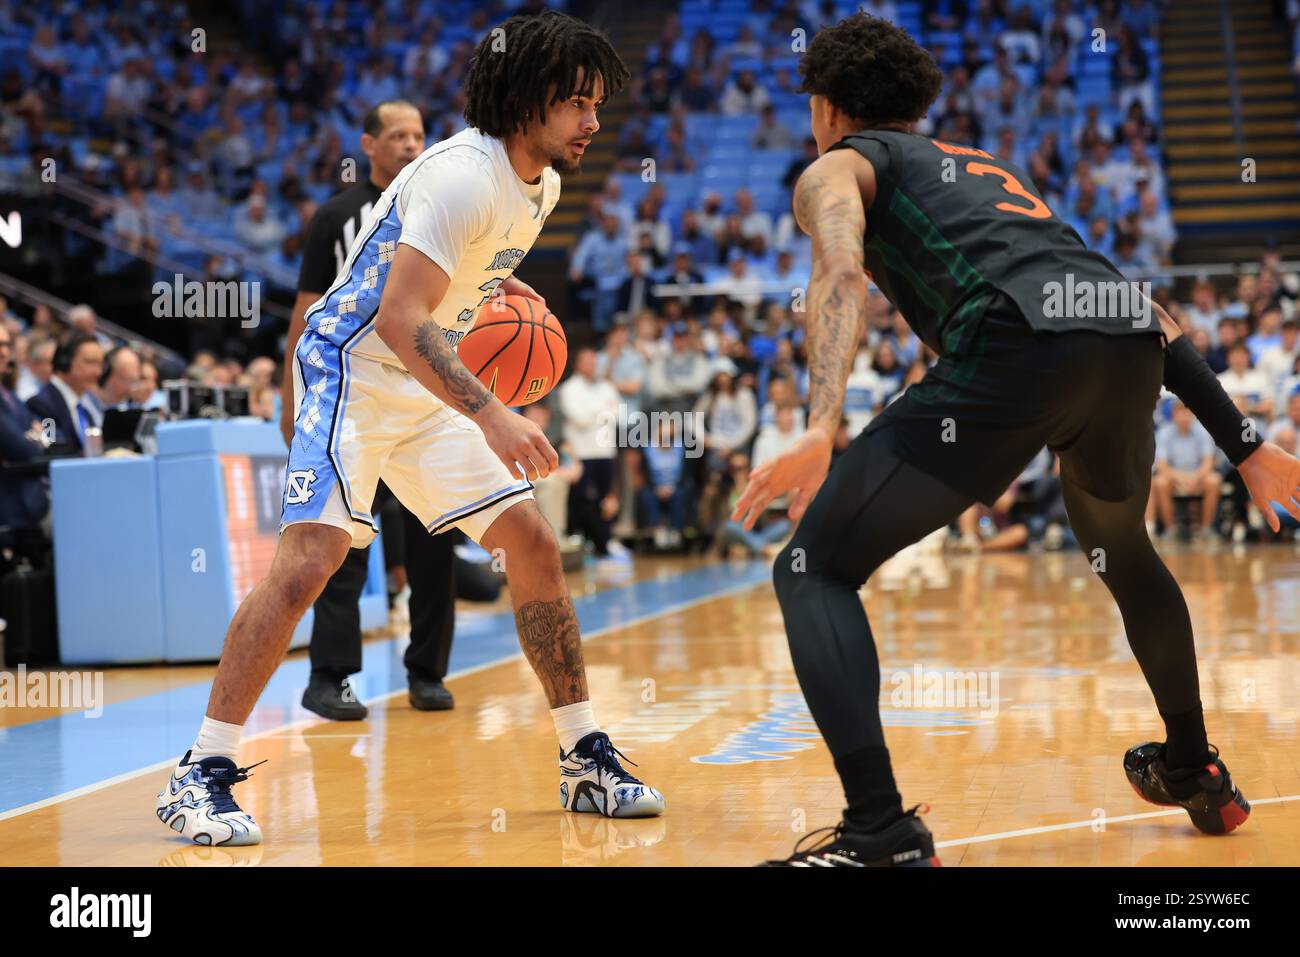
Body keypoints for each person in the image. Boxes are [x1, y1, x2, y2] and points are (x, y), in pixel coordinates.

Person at [732, 14, 1299, 866]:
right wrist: (1246, 444)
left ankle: (880, 829)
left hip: (1017, 346)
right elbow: (1143, 308)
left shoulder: (836, 166)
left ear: (827, 106)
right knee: (1123, 551)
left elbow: (839, 273)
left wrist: (820, 424)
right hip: (1120, 338)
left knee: (812, 569)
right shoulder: (983, 168)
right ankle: (1195, 768)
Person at [155, 11, 662, 848]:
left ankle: (582, 756)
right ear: (533, 99)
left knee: (532, 541)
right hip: (352, 367)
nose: (593, 122)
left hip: (424, 381)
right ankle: (200, 770)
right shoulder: (461, 175)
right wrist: (493, 410)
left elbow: (453, 298)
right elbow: (397, 317)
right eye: (578, 103)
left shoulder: (545, 188)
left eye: (597, 105)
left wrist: (500, 334)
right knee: (310, 560)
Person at [279, 98, 460, 720]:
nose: (413, 145)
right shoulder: (334, 218)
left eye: (419, 134)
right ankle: (329, 677)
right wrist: (292, 402)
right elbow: (303, 315)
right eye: (399, 135)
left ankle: (428, 672)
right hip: (353, 397)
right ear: (370, 145)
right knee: (341, 539)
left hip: (425, 397)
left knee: (437, 536)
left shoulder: (443, 209)